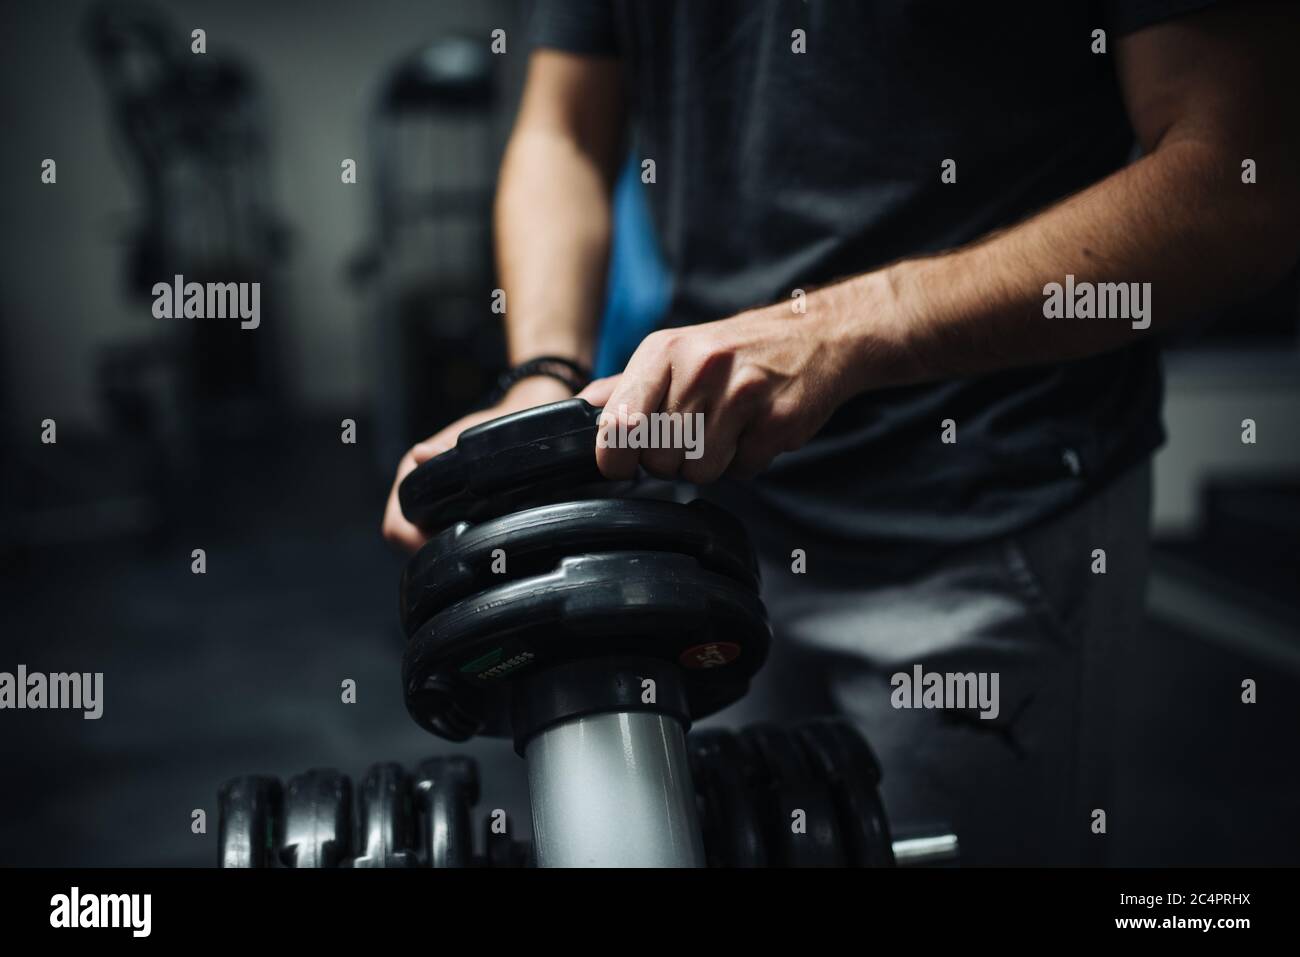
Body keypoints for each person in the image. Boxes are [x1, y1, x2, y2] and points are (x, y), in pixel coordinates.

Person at [383, 1, 1300, 864]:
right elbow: (565, 132)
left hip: (984, 514)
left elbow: (1243, 181)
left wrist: (837, 329)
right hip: (718, 539)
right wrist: (542, 376)